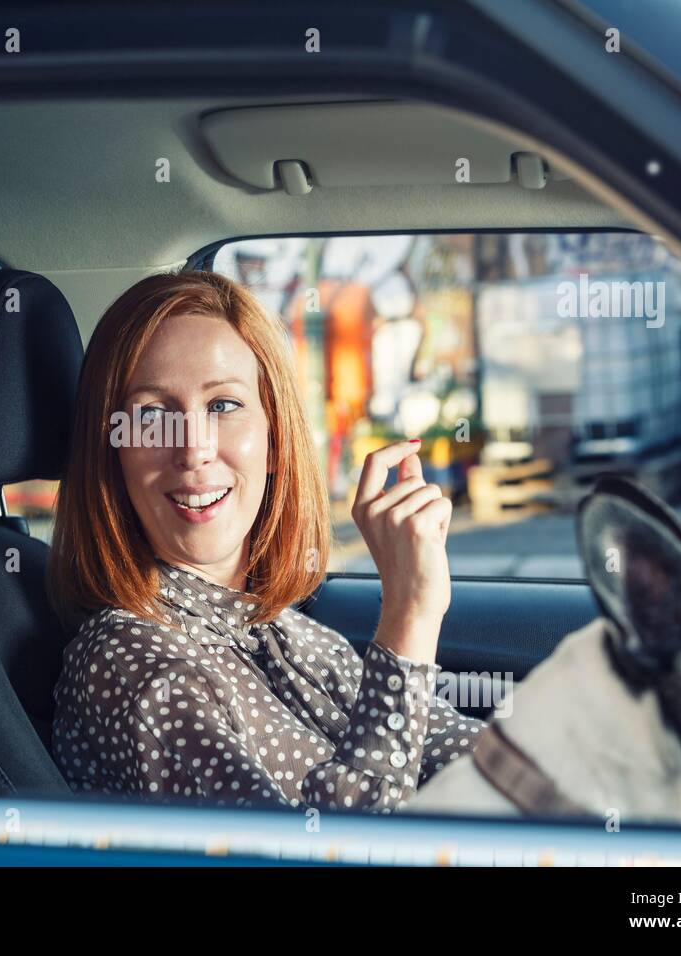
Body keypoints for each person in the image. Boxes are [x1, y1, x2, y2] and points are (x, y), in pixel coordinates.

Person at [49, 271, 485, 812]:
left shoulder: (280, 631)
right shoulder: (131, 666)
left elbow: (473, 756)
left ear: (275, 440)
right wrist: (410, 614)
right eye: (153, 415)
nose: (194, 450)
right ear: (111, 455)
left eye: (223, 406)